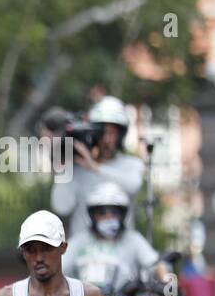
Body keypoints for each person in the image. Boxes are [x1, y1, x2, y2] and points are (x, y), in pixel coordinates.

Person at [51, 96, 145, 242]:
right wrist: (63, 166)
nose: (107, 139)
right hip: (83, 257)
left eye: (112, 133)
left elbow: (133, 185)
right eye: (102, 133)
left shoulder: (132, 164)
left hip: (120, 255)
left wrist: (95, 167)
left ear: (121, 135)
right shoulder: (77, 168)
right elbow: (61, 207)